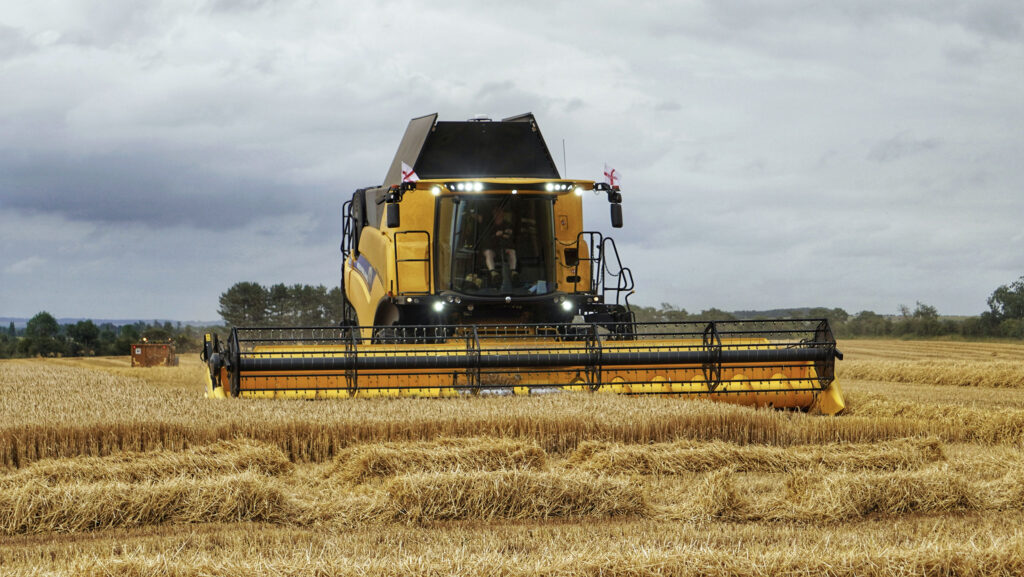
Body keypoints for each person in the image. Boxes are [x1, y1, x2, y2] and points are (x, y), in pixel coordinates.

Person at [481, 205, 518, 286]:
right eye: (496, 212)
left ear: (503, 214)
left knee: (512, 252)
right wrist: (496, 235)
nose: (498, 214)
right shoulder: (489, 225)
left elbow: (513, 239)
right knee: (488, 253)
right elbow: (485, 240)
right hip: (492, 248)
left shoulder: (508, 224)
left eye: (500, 212)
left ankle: (513, 272)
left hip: (505, 248)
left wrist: (507, 235)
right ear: (493, 214)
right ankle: (493, 273)